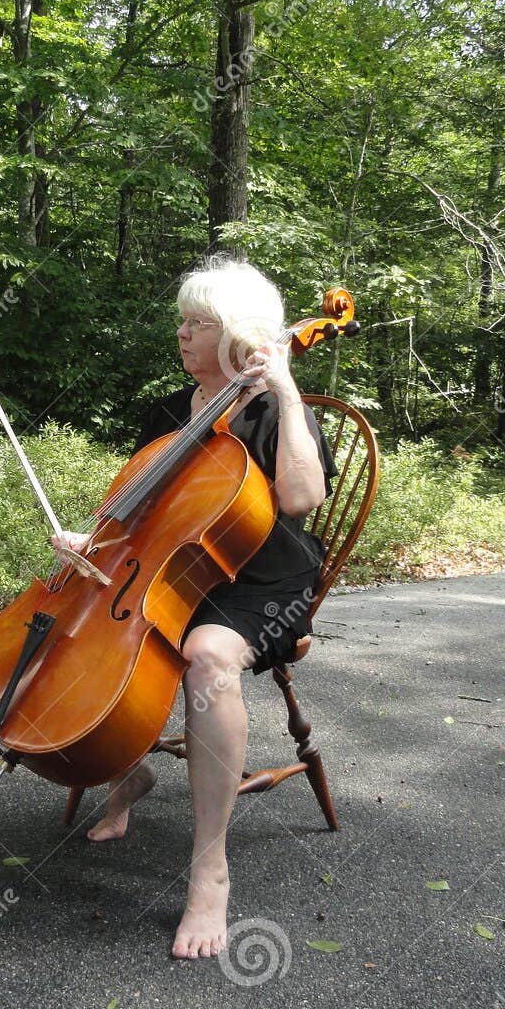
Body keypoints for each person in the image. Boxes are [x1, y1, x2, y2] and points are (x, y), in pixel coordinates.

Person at [49, 257, 337, 959]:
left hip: (262, 582)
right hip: (173, 570)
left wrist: (287, 390)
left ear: (238, 333)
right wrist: (90, 540)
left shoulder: (275, 410)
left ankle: (210, 870)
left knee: (206, 654)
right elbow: (140, 515)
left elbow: (302, 499)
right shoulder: (168, 412)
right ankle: (126, 767)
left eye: (197, 322)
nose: (181, 332)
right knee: (96, 635)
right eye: (181, 320)